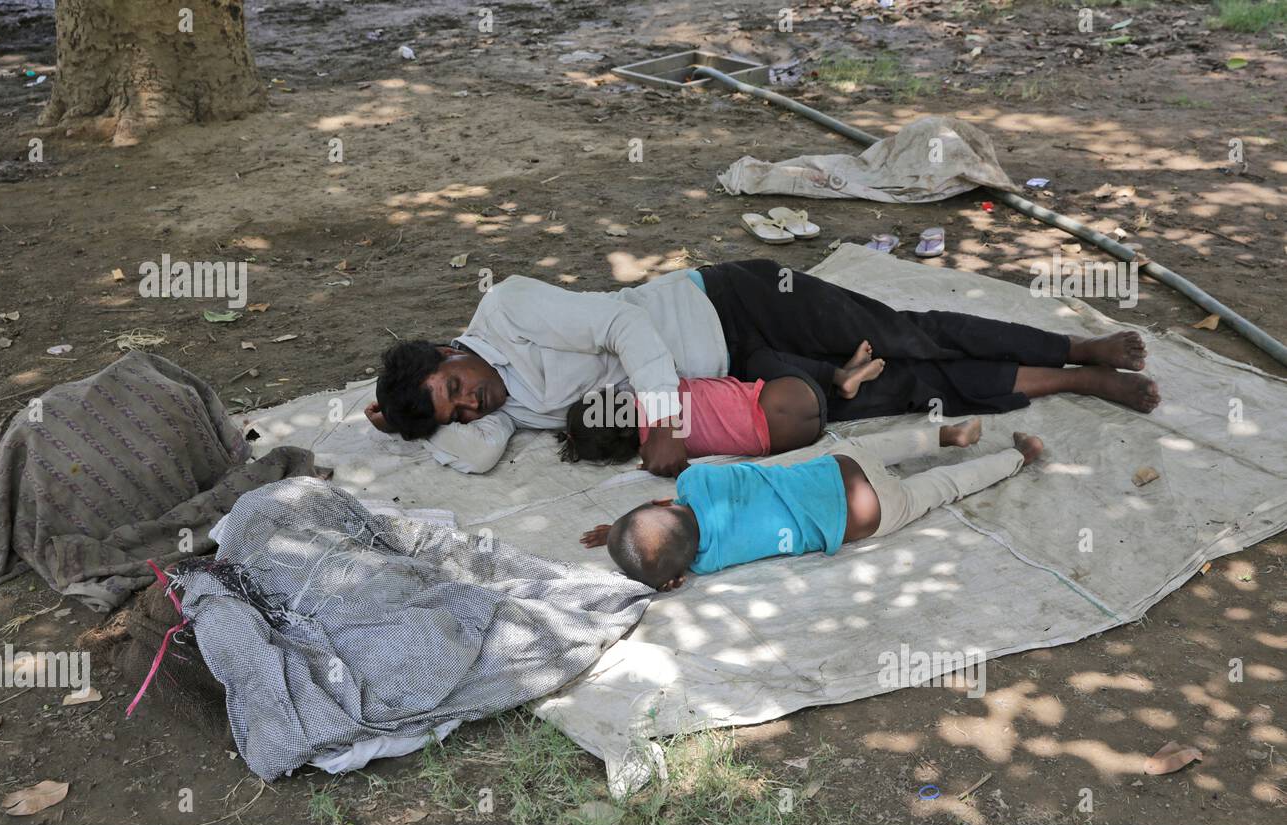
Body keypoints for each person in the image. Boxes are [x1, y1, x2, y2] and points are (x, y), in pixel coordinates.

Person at [368, 259, 1156, 477]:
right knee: (898, 390)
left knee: (901, 333)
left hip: (734, 305)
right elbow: (472, 453)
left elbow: (623, 323)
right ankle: (1077, 383)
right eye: (457, 412)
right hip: (739, 384)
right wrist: (398, 421)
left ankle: (1072, 347)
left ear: (450, 351)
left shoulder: (506, 310)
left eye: (455, 390)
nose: (473, 407)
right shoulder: (484, 411)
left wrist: (669, 428)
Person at [580, 419, 1041, 590]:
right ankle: (947, 433)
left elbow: (665, 552)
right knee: (883, 446)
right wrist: (624, 526)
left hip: (866, 517)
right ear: (662, 499)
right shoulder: (696, 478)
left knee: (942, 487)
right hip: (842, 467)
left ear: (678, 578)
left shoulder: (709, 562)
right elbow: (661, 515)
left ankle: (1020, 456)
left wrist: (649, 559)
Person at [557, 342, 885, 464]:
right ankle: (839, 375)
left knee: (789, 403)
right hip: (791, 394)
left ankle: (844, 384)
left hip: (789, 437)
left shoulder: (655, 452)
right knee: (757, 355)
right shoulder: (658, 393)